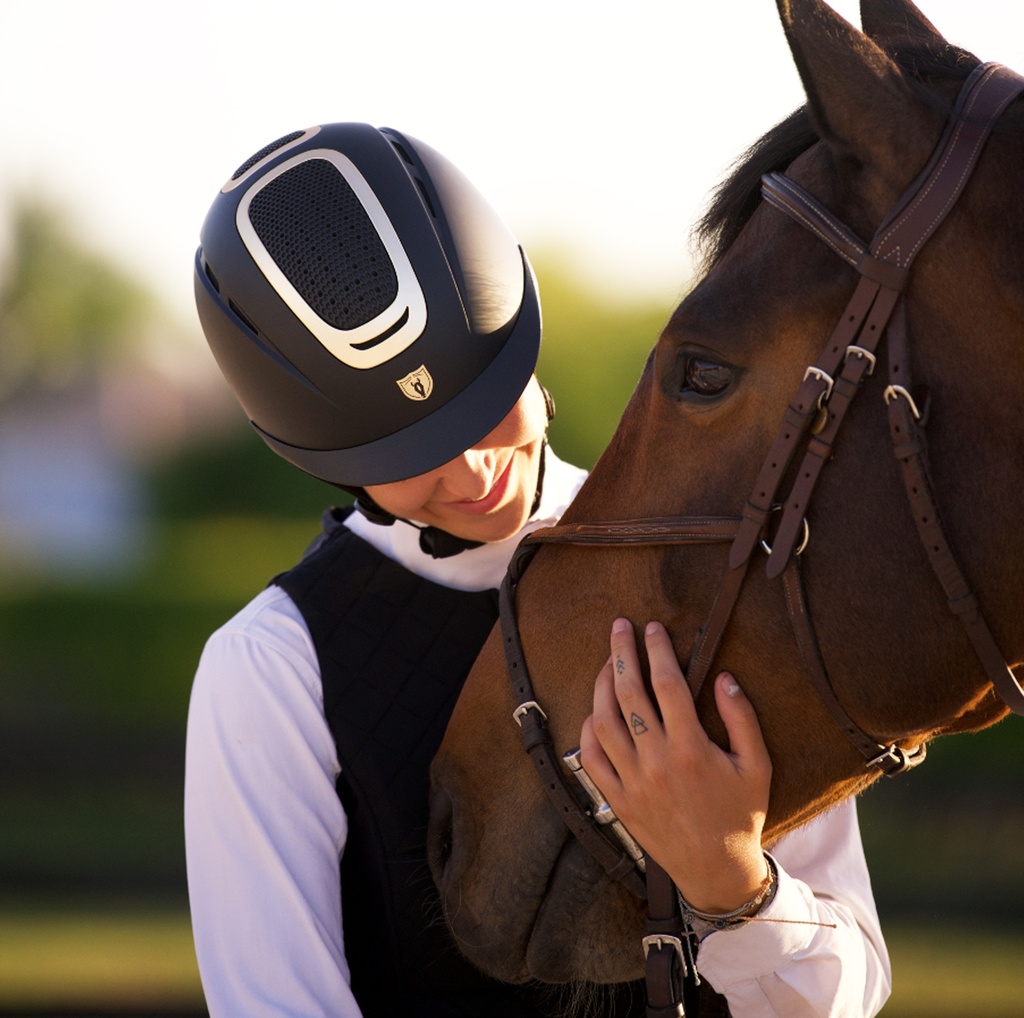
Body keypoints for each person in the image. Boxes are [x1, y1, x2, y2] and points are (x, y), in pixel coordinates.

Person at [184, 122, 890, 1017]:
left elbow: (847, 998)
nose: (476, 471)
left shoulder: (721, 562)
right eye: (412, 448)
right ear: (319, 453)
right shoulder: (273, 670)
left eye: (486, 408)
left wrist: (732, 883)